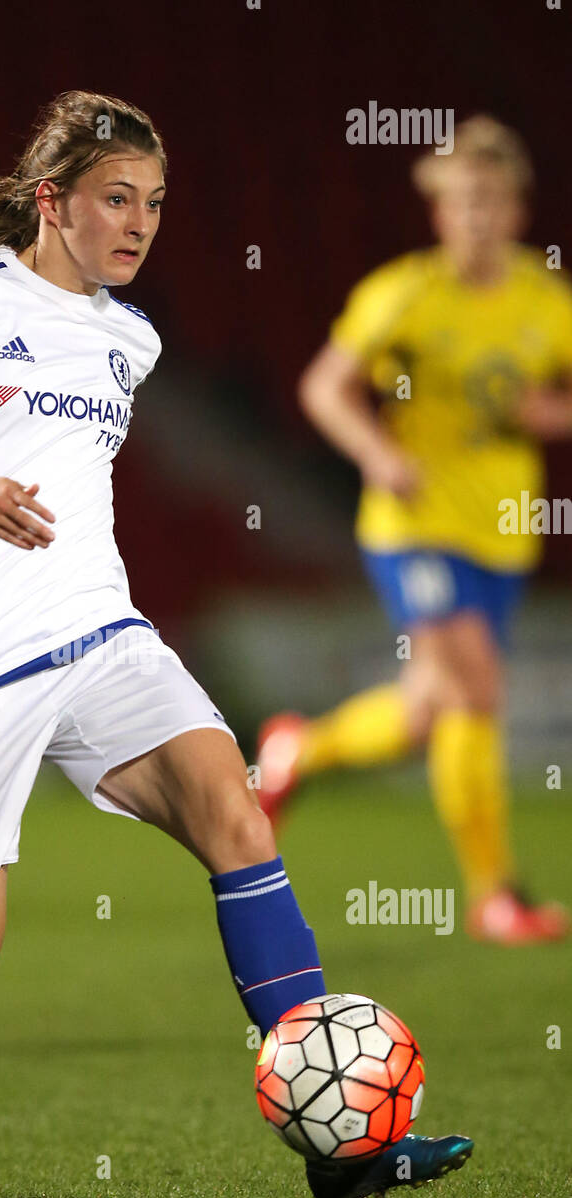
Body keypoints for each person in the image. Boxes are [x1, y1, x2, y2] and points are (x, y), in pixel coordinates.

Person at [0, 89, 470, 1198]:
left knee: (235, 811)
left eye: (156, 204)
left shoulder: (132, 338)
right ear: (52, 201)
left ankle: (345, 1144)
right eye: (115, 199)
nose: (139, 223)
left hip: (96, 635)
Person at [259, 116, 572, 946]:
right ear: (438, 210)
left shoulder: (546, 301)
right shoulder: (402, 293)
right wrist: (375, 453)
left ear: (516, 210)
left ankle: (298, 748)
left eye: (490, 201)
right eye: (460, 201)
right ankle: (494, 894)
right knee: (475, 690)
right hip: (411, 526)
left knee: (429, 711)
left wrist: (554, 412)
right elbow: (323, 388)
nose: (475, 216)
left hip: (502, 532)